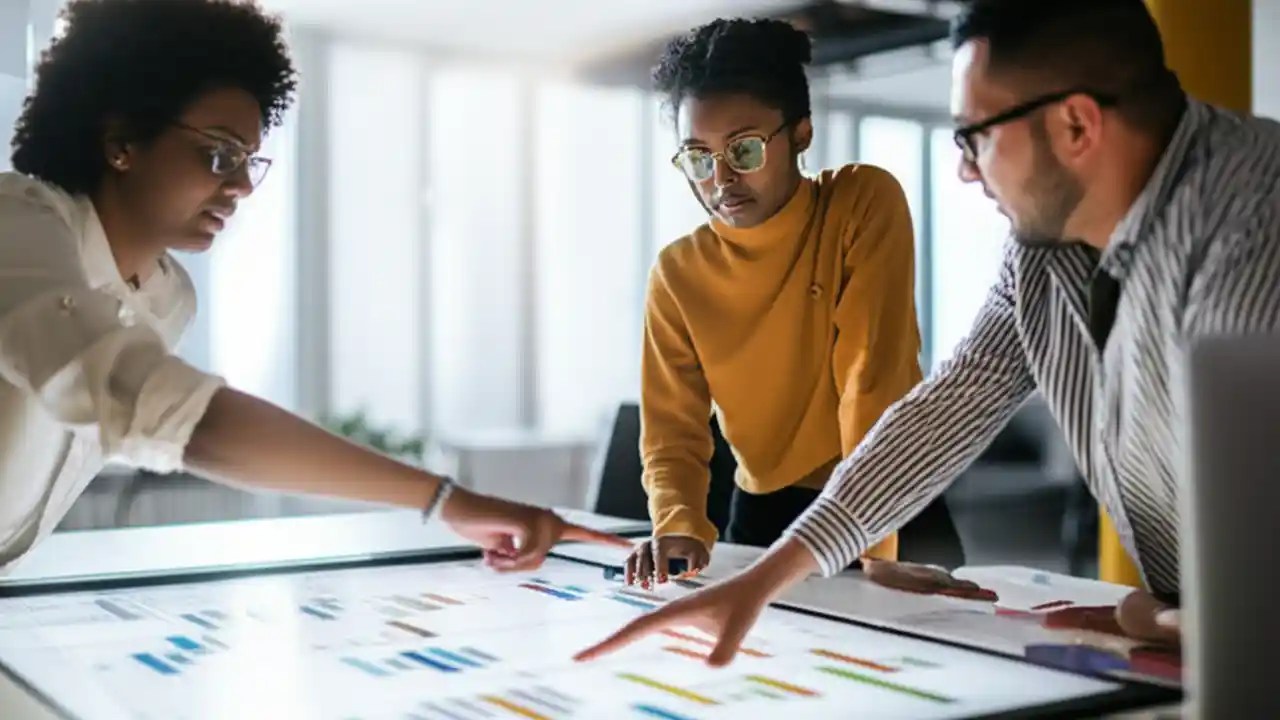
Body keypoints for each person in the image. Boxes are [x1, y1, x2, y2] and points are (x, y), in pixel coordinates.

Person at [580, 0, 1280, 665]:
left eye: (975, 136)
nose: (963, 169)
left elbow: (872, 378)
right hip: (1204, 634)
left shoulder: (1252, 225)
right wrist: (766, 576)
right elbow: (950, 404)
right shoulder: (1041, 251)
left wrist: (1165, 618)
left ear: (1076, 126)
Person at [0, 0, 628, 573]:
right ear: (121, 141)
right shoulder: (17, 219)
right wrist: (445, 499)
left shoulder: (167, 297)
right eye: (219, 154)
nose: (243, 185)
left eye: (250, 160)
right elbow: (151, 405)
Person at [625, 18, 963, 588]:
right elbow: (671, 430)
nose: (721, 180)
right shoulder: (678, 274)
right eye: (699, 158)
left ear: (801, 134)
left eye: (745, 149)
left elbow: (871, 376)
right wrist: (677, 523)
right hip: (765, 515)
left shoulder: (860, 204)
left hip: (888, 498)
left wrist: (875, 547)